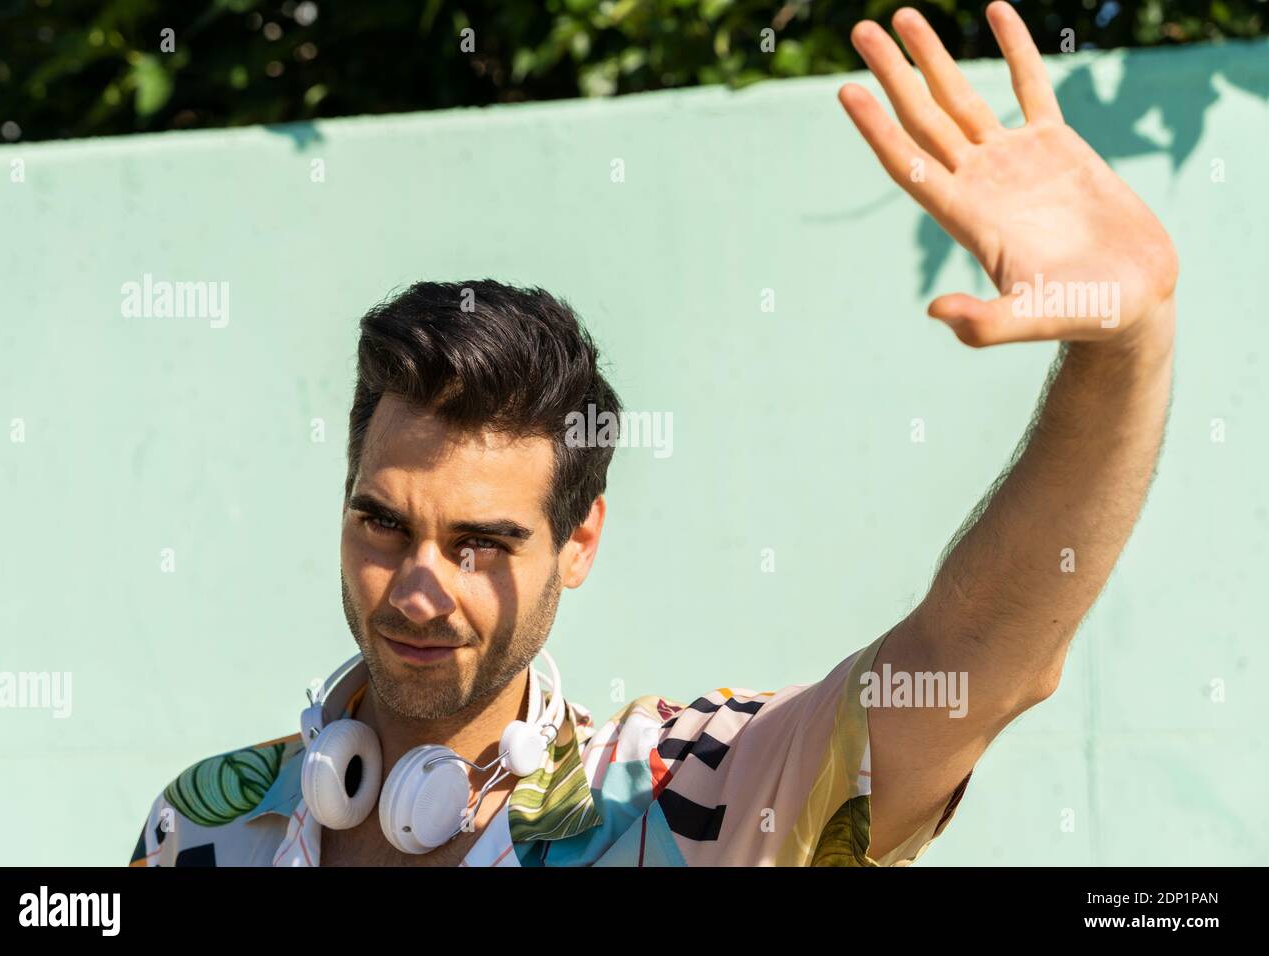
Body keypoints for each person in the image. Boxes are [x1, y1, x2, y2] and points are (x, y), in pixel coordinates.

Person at [130, 1, 1176, 867]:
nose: (415, 585)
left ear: (578, 541)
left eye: (480, 543)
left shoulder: (686, 794)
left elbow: (976, 658)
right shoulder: (206, 822)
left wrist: (1123, 352)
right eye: (383, 523)